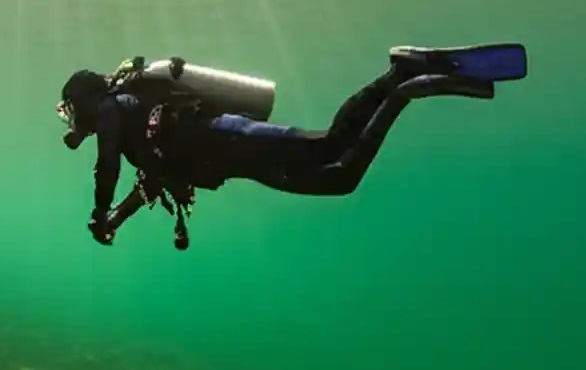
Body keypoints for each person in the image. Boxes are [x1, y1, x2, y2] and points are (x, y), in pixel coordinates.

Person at [56, 44, 527, 248]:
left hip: (229, 134)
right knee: (340, 179)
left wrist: (99, 211)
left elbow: (107, 167)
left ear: (85, 100)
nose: (74, 122)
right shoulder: (136, 125)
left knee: (328, 144)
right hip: (241, 160)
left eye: (71, 111)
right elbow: (149, 181)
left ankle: (398, 72)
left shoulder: (116, 108)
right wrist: (116, 218)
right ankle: (406, 91)